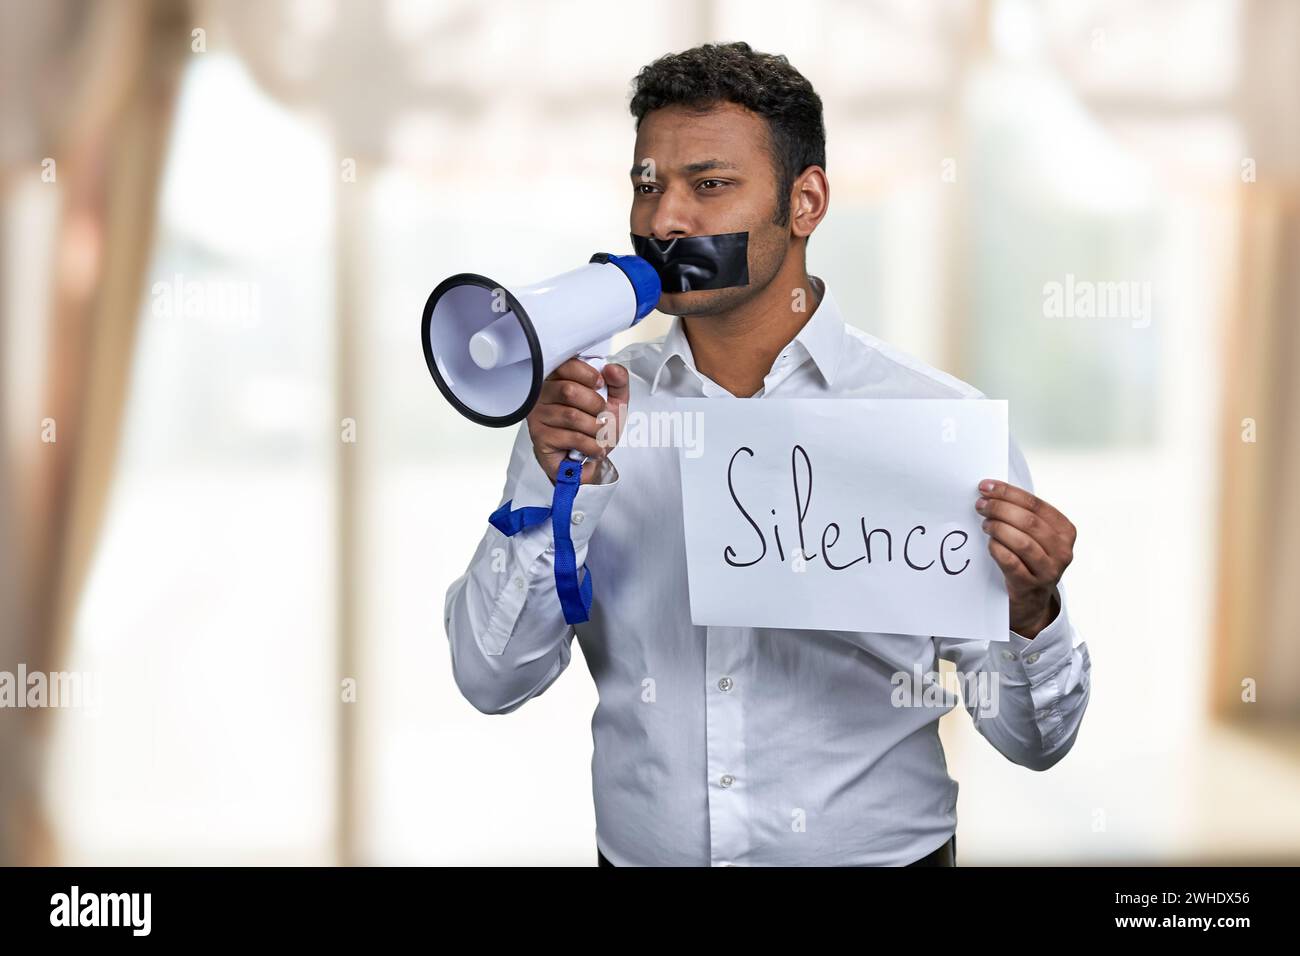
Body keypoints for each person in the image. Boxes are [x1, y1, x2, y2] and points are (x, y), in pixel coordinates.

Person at [444, 41, 1091, 866]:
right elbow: (490, 680)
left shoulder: (938, 424)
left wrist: (1033, 614)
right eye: (649, 185)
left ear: (806, 201)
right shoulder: (584, 416)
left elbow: (1034, 741)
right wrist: (548, 482)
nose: (665, 221)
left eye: (709, 185)